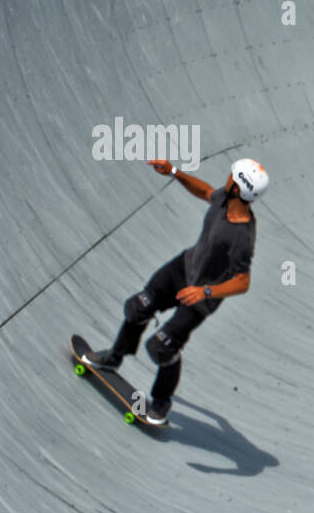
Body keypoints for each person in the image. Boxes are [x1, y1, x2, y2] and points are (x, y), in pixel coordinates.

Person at [81, 157, 267, 425]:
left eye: (231, 176)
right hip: (182, 268)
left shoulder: (242, 236)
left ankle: (161, 401)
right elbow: (204, 191)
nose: (226, 177)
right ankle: (114, 357)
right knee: (138, 307)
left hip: (200, 298)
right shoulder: (224, 199)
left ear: (239, 187)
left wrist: (205, 292)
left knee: (161, 348)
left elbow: (242, 281)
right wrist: (175, 172)